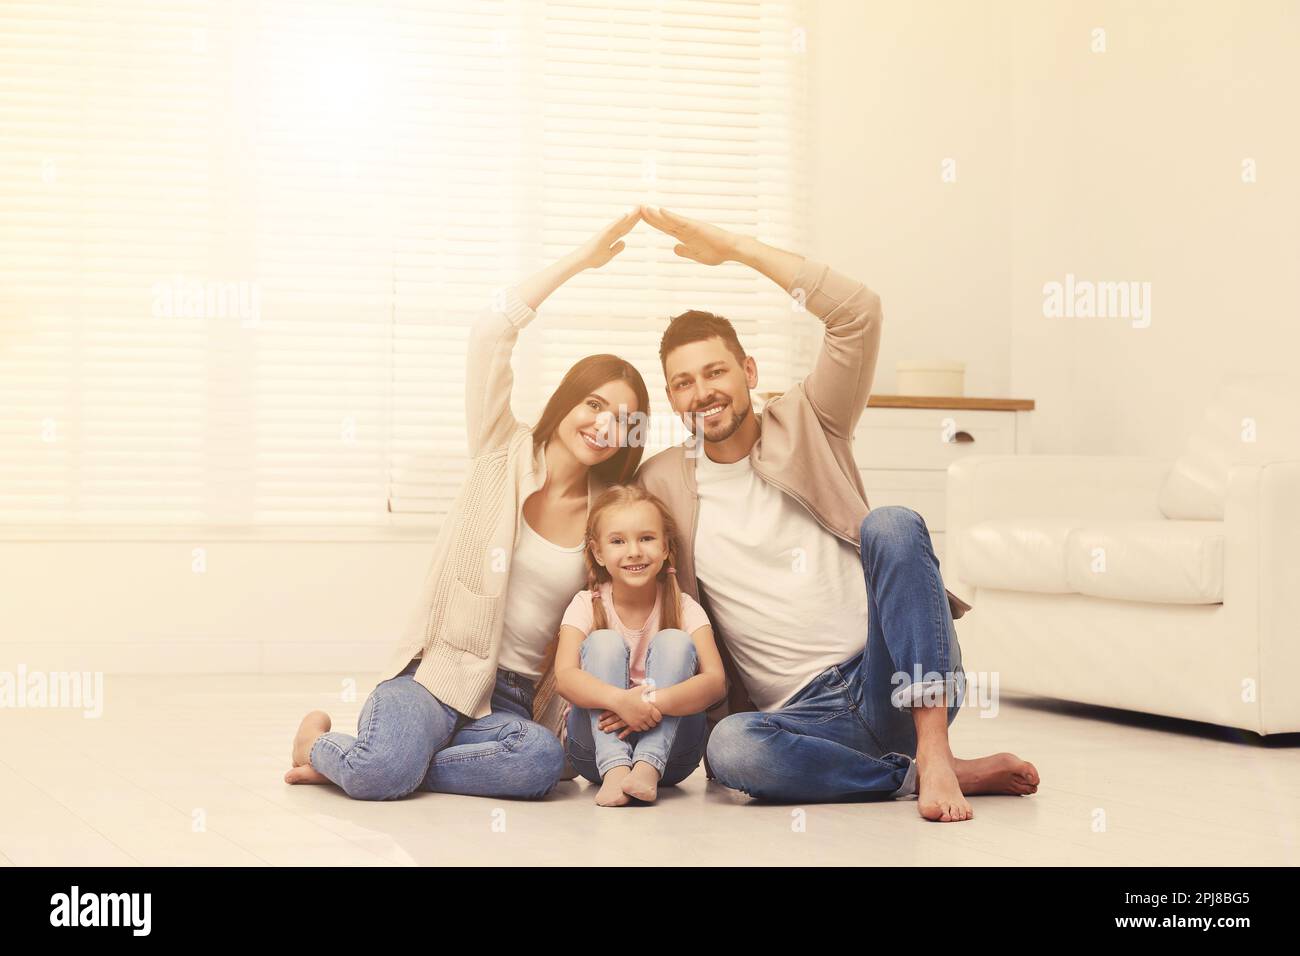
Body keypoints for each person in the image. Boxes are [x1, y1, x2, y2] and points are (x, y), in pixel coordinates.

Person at [635, 205, 1040, 822]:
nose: (703, 392)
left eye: (715, 371)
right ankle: (915, 776)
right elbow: (600, 529)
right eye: (683, 382)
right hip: (801, 716)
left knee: (893, 523)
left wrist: (738, 249)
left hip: (892, 676)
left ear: (749, 371)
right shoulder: (661, 481)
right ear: (671, 397)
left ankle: (934, 750)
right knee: (731, 748)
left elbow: (858, 313)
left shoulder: (811, 418)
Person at [284, 208, 651, 800]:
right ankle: (321, 747)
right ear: (566, 402)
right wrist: (581, 261)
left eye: (622, 417)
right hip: (436, 674)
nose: (603, 424)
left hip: (511, 700)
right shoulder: (500, 447)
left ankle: (394, 760)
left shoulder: (608, 517)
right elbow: (489, 331)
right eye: (593, 404)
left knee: (540, 763)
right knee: (380, 777)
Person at [550, 485, 725, 806]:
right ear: (598, 552)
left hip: (673, 757)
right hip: (593, 754)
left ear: (666, 547)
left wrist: (650, 701)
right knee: (603, 642)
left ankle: (648, 765)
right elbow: (564, 678)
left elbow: (715, 682)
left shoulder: (685, 608)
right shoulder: (586, 604)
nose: (634, 551)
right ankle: (615, 769)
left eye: (646, 538)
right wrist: (620, 701)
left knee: (674, 640)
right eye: (618, 541)